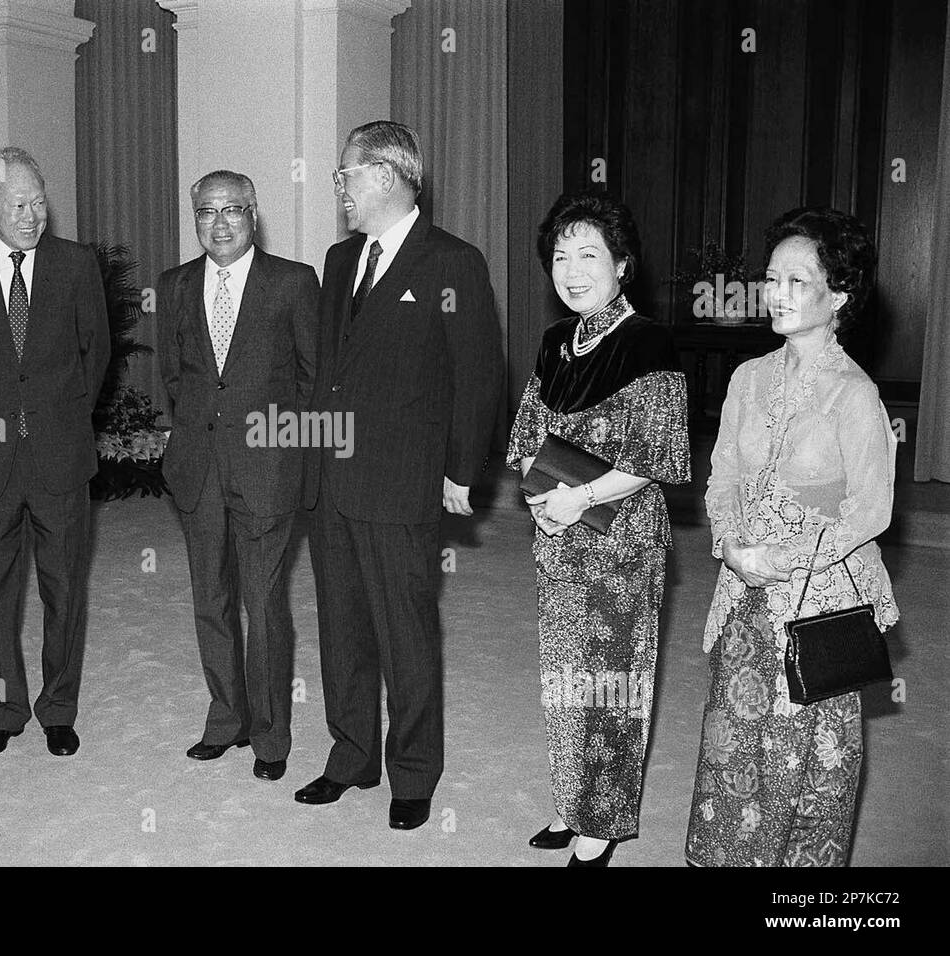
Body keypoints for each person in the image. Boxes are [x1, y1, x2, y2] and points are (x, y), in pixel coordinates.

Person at [298, 120, 504, 830]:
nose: (340, 189)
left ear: (384, 176)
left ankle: (413, 772)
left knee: (404, 631)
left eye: (345, 175)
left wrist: (460, 470)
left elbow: (477, 375)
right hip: (333, 477)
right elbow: (329, 371)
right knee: (342, 626)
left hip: (402, 478)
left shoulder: (452, 263)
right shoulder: (337, 258)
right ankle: (352, 755)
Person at [684, 207, 899, 867]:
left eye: (796, 281)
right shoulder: (746, 380)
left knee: (803, 771)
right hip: (743, 602)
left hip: (817, 612)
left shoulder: (854, 395)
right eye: (770, 278)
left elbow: (871, 510)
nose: (775, 292)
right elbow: (719, 480)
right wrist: (732, 548)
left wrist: (793, 558)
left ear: (839, 296)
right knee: (730, 757)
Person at [509, 190, 690, 865]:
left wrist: (577, 498)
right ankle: (570, 802)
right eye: (561, 255)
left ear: (622, 264)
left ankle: (601, 823)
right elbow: (526, 434)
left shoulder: (648, 341)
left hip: (621, 541)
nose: (573, 269)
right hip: (556, 534)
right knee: (564, 676)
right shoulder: (559, 340)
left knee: (610, 684)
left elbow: (654, 455)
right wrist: (542, 499)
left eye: (590, 254)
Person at [0, 146, 110, 759]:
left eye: (39, 202)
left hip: (60, 454)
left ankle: (58, 707)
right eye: (17, 205)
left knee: (65, 588)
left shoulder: (76, 264)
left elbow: (97, 354)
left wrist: (59, 421)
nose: (33, 216)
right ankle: (4, 708)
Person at [157, 170, 319, 783]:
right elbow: (176, 378)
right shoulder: (174, 286)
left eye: (232, 210)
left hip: (267, 468)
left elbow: (309, 380)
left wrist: (289, 456)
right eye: (205, 212)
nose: (219, 223)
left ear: (254, 213)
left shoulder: (292, 282)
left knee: (265, 603)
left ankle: (271, 734)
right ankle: (226, 718)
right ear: (194, 218)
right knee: (211, 600)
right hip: (198, 469)